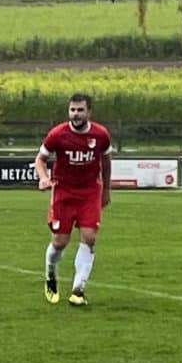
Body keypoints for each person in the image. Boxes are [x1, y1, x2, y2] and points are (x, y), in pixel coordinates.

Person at [35, 93, 113, 307]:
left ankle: (78, 289)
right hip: (64, 193)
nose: (76, 114)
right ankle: (50, 275)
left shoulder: (101, 135)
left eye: (80, 110)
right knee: (60, 242)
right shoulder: (58, 134)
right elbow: (40, 159)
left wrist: (106, 190)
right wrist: (43, 178)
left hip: (89, 192)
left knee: (89, 237)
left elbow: (106, 162)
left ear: (89, 112)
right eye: (73, 110)